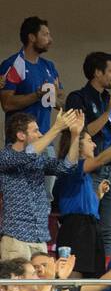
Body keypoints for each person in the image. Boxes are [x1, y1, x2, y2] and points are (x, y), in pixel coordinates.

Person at [64, 51, 111, 261]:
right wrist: (108, 111)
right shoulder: (78, 97)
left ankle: (104, 275)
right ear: (97, 73)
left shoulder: (108, 99)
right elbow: (84, 132)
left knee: (109, 229)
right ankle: (86, 269)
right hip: (91, 168)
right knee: (88, 224)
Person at [0, 108, 82, 260]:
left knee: (41, 284)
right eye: (36, 131)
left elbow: (66, 167)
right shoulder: (5, 156)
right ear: (21, 135)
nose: (40, 134)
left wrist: (75, 135)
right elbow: (27, 155)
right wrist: (56, 128)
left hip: (40, 237)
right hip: (16, 238)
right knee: (15, 284)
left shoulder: (39, 159)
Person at [52, 127, 111, 279]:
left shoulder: (86, 176)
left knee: (94, 281)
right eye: (89, 141)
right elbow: (101, 159)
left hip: (91, 228)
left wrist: (98, 195)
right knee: (74, 282)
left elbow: (85, 207)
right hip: (75, 229)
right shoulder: (72, 167)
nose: (94, 145)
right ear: (77, 145)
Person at [0, 17, 61, 191]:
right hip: (21, 144)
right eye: (45, 34)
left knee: (47, 197)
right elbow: (7, 103)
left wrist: (57, 98)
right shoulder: (13, 64)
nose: (50, 39)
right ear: (32, 37)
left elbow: (60, 100)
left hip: (46, 141)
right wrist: (36, 95)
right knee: (19, 196)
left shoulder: (49, 66)